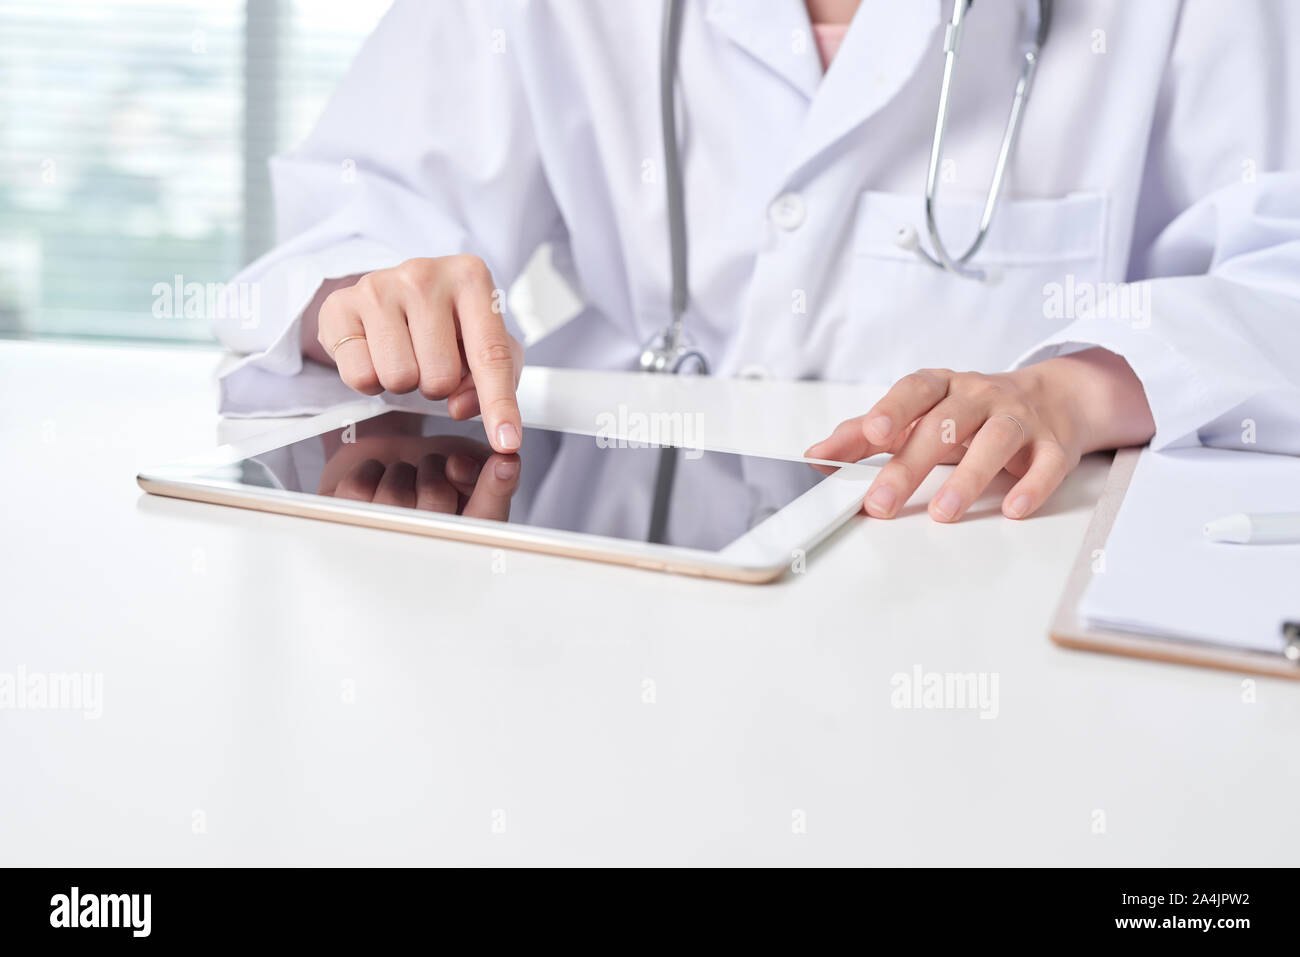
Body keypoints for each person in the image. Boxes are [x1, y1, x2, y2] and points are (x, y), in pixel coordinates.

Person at [214, 0, 1300, 524]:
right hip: (612, 560)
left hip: (983, 552)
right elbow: (355, 213)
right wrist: (368, 294)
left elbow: (1281, 273)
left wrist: (1081, 385)